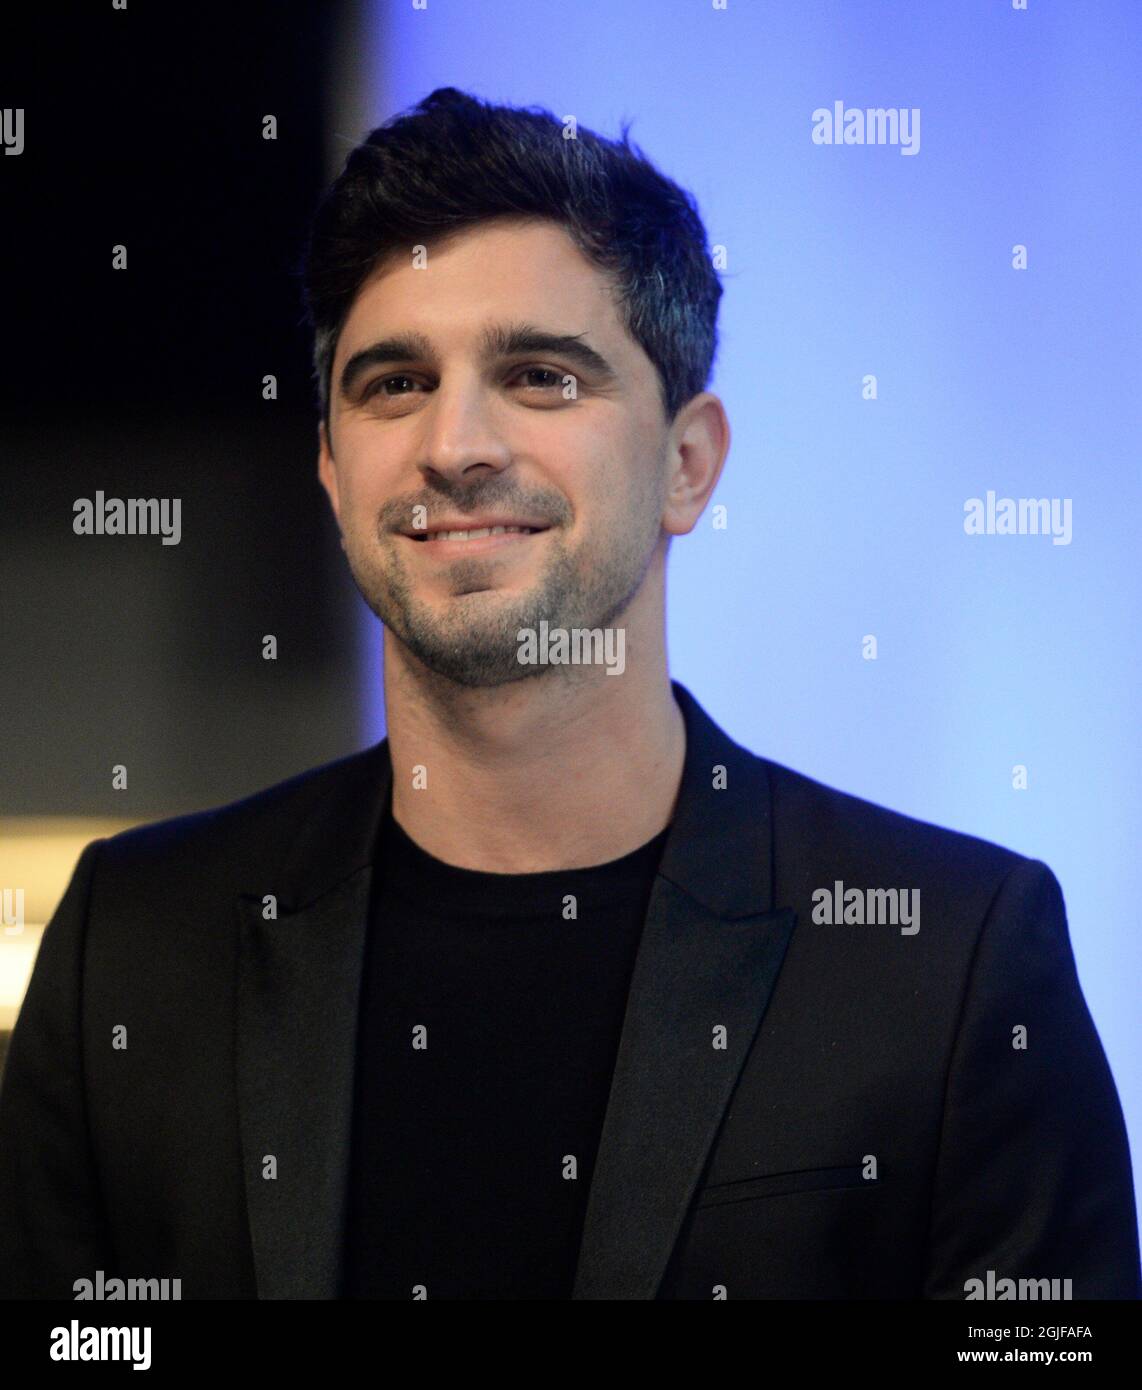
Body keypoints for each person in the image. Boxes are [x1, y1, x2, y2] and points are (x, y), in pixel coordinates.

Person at [0, 87, 1137, 1301]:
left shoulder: (949, 958)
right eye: (393, 383)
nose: (456, 444)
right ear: (331, 470)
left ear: (686, 464)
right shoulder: (132, 948)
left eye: (539, 375)